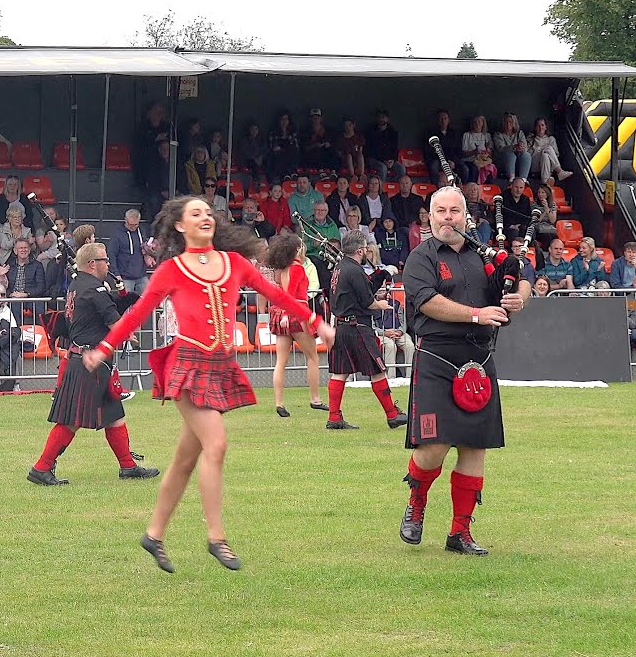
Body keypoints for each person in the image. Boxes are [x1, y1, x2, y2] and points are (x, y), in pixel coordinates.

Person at [81, 196, 335, 573]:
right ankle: (217, 537)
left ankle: (154, 533)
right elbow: (137, 314)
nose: (205, 218)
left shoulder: (234, 263)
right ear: (180, 226)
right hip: (188, 365)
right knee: (215, 444)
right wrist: (104, 348)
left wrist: (316, 322)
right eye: (195, 213)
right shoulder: (172, 269)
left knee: (187, 458)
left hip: (220, 365)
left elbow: (277, 296)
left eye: (208, 213)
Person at [398, 185, 529, 556]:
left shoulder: (482, 256)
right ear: (429, 215)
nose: (447, 218)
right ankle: (417, 503)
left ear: (465, 216)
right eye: (440, 211)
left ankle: (460, 533)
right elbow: (428, 302)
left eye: (454, 211)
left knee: (475, 447)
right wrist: (476, 313)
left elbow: (518, 279)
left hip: (480, 358)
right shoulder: (419, 258)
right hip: (437, 357)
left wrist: (520, 295)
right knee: (433, 446)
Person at [27, 242, 160, 486]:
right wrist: (130, 328)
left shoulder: (78, 286)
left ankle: (128, 467)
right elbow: (114, 324)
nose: (108, 264)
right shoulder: (94, 289)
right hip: (88, 363)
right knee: (71, 420)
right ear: (92, 264)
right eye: (104, 260)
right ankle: (41, 467)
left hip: (89, 361)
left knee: (114, 415)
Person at [324, 234, 409, 431]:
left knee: (340, 372)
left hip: (342, 327)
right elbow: (368, 301)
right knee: (377, 371)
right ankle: (392, 414)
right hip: (358, 327)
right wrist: (383, 305)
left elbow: (361, 289)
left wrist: (378, 276)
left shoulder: (340, 268)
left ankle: (334, 416)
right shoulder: (355, 270)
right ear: (360, 250)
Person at [263, 233, 327, 418]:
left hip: (283, 315)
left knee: (281, 362)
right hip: (296, 313)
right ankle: (315, 398)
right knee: (313, 357)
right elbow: (291, 294)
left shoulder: (281, 270)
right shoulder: (297, 268)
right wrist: (286, 313)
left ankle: (279, 403)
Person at [374, 284, 415, 378]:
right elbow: (371, 326)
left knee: (409, 345)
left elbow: (403, 321)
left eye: (384, 290)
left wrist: (400, 331)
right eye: (380, 290)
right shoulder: (372, 305)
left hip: (398, 332)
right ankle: (391, 378)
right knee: (390, 346)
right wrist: (384, 333)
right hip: (381, 334)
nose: (383, 292)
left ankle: (409, 377)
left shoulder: (396, 303)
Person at [528, 117, 573, 186]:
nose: (540, 128)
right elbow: (528, 155)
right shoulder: (530, 138)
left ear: (546, 127)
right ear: (535, 128)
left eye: (542, 125)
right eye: (538, 125)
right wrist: (541, 149)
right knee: (548, 148)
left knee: (545, 155)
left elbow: (556, 155)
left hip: (549, 166)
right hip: (534, 164)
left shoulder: (551, 139)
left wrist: (541, 150)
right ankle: (560, 171)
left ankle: (545, 181)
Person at [366, 109, 405, 182]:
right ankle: (382, 190)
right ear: (377, 118)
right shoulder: (371, 131)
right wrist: (384, 161)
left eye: (384, 117)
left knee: (401, 169)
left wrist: (392, 160)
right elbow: (371, 150)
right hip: (375, 159)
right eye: (380, 117)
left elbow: (395, 149)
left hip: (390, 160)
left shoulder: (392, 132)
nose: (382, 119)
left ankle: (392, 187)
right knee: (383, 168)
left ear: (387, 119)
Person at [493, 112, 531, 183]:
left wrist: (521, 147)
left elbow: (525, 147)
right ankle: (512, 178)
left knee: (526, 155)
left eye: (510, 122)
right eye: (506, 122)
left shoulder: (519, 133)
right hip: (504, 162)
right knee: (510, 154)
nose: (508, 124)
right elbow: (501, 148)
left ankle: (523, 179)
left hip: (518, 162)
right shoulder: (498, 134)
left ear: (514, 123)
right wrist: (514, 147)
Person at [460, 115, 497, 185]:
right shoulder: (467, 135)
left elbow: (491, 154)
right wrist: (474, 152)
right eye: (475, 122)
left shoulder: (487, 135)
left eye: (479, 122)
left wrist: (487, 150)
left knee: (490, 169)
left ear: (483, 123)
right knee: (473, 168)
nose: (477, 124)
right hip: (470, 160)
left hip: (483, 161)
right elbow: (464, 153)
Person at [267, 112, 300, 182]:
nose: (284, 121)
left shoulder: (292, 132)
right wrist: (284, 147)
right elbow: (273, 148)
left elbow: (295, 146)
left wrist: (283, 146)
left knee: (293, 150)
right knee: (280, 152)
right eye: (282, 119)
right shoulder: (274, 132)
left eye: (286, 119)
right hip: (277, 159)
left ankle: (292, 172)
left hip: (290, 155)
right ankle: (286, 174)